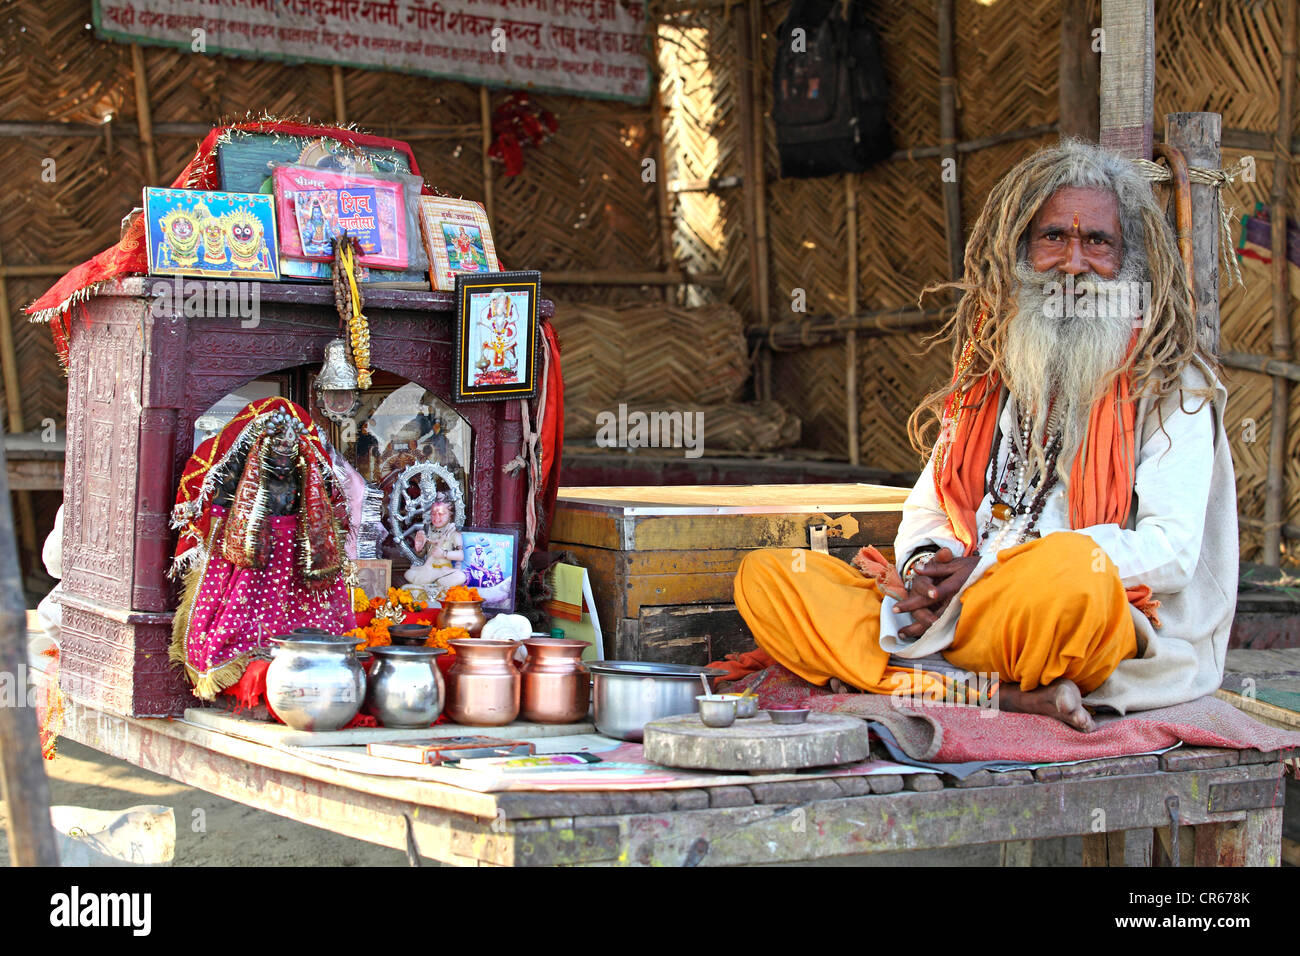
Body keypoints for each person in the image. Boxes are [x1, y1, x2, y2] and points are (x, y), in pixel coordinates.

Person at [734, 141, 1237, 731]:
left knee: (1073, 572)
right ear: (1021, 250)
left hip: (1060, 619)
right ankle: (1007, 697)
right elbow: (931, 502)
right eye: (1054, 238)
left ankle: (938, 682)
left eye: (1097, 242)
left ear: (1130, 262)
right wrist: (930, 567)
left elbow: (1173, 552)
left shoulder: (1170, 381)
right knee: (772, 579)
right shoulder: (994, 364)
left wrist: (989, 567)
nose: (1073, 262)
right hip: (959, 614)